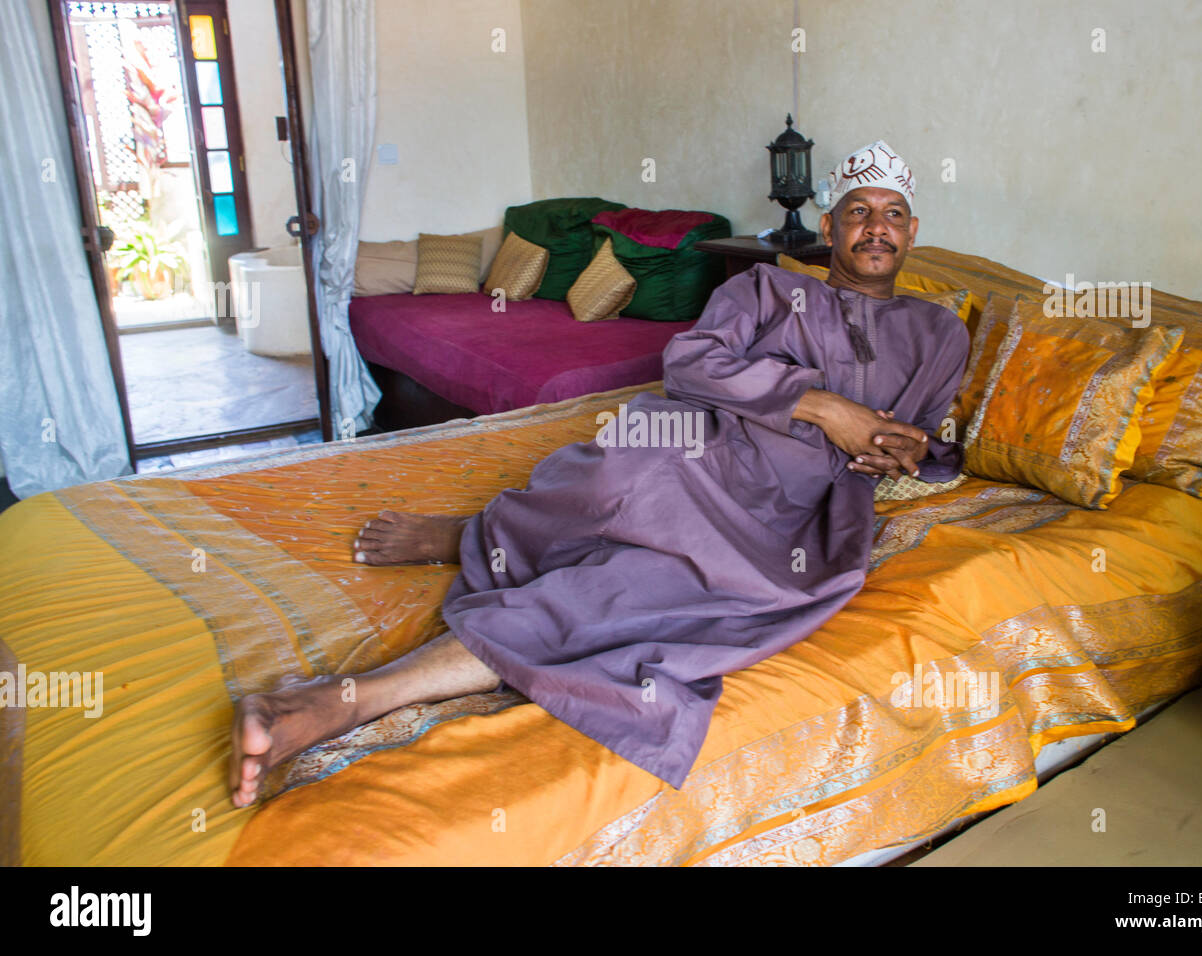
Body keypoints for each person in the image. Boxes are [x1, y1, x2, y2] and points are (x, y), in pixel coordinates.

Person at [229, 141, 970, 807]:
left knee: (639, 586)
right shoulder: (768, 288)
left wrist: (900, 451)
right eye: (858, 212)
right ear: (831, 227)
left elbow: (927, 436)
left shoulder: (939, 331)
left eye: (894, 214)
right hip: (710, 432)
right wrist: (821, 405)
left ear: (912, 231)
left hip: (791, 497)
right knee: (620, 466)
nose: (877, 227)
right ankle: (480, 533)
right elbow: (689, 362)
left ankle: (353, 698)